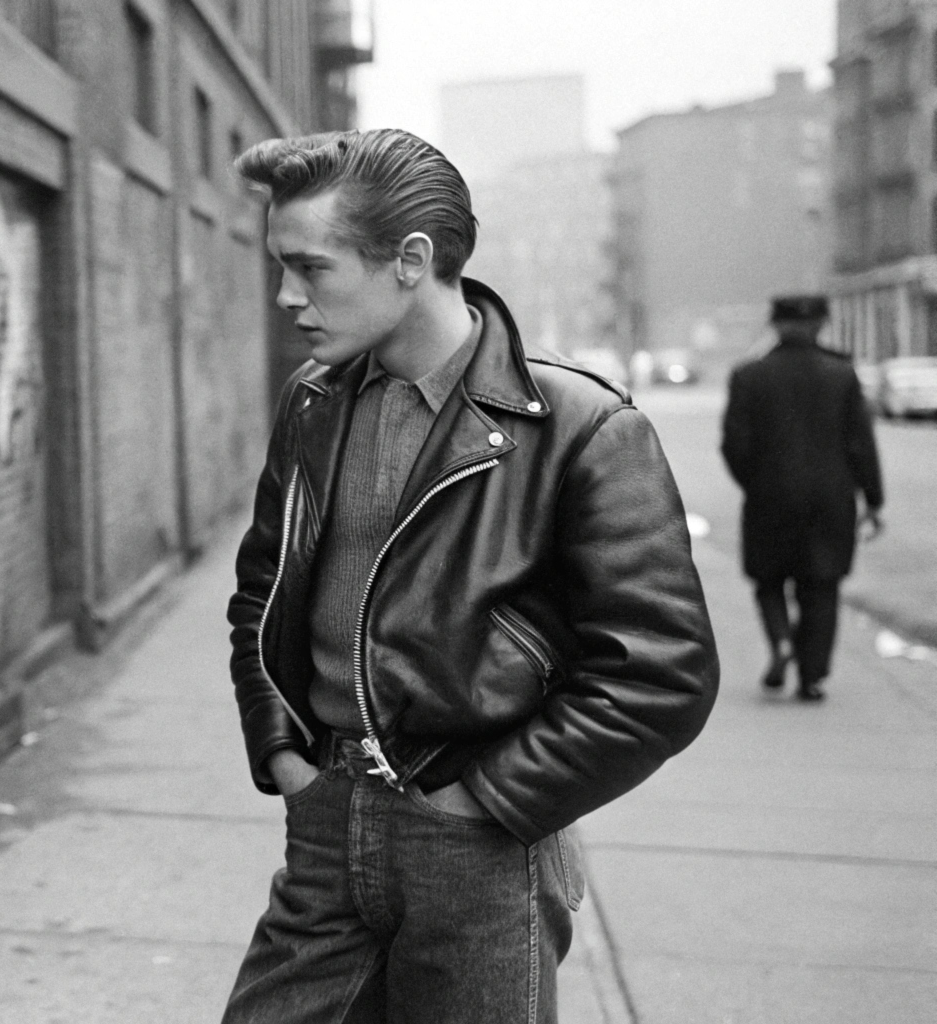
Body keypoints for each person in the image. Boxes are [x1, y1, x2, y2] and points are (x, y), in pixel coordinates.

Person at [221, 129, 719, 1024]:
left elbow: (662, 672)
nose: (287, 297)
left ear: (411, 260)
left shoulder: (581, 426)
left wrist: (485, 800)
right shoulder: (314, 402)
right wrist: (284, 754)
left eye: (311, 268)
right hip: (328, 818)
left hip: (481, 841)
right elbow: (263, 591)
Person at [721, 295, 883, 702]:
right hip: (831, 500)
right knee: (822, 586)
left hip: (768, 497)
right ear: (822, 324)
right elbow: (860, 443)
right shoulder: (842, 374)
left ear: (774, 325)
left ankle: (781, 641)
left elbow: (734, 445)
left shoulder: (749, 375)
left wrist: (756, 482)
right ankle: (812, 676)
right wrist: (874, 500)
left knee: (768, 579)